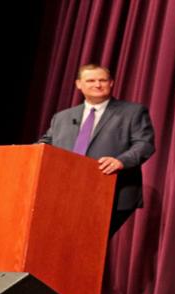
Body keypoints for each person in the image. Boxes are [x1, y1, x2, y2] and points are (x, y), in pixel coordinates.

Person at [39, 64, 156, 237]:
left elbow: (144, 144)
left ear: (111, 83)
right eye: (91, 80)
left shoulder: (132, 112)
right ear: (79, 84)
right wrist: (29, 154)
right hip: (65, 192)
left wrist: (121, 161)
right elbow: (45, 144)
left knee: (89, 243)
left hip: (111, 190)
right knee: (64, 245)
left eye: (102, 80)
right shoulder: (62, 117)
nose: (97, 85)